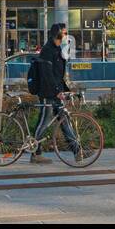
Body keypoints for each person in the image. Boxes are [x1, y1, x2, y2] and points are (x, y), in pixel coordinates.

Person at [30, 23, 81, 162]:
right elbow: (47, 74)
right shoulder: (47, 50)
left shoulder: (58, 49)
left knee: (64, 120)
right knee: (44, 123)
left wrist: (65, 91)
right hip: (47, 92)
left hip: (56, 92)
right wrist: (57, 91)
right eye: (64, 33)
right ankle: (36, 153)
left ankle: (77, 151)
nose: (66, 36)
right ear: (57, 34)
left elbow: (58, 75)